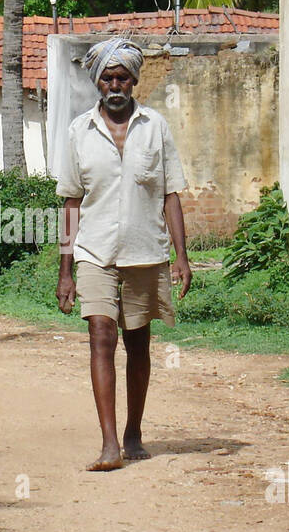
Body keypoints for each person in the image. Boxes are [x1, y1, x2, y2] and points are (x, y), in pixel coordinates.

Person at [55, 36, 191, 471]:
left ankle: (133, 432)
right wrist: (66, 271)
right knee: (100, 336)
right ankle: (109, 443)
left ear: (133, 81)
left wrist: (181, 257)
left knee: (138, 343)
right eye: (108, 78)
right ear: (98, 82)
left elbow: (171, 194)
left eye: (122, 78)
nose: (115, 86)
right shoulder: (79, 131)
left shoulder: (156, 127)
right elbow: (71, 202)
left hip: (144, 251)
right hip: (93, 252)